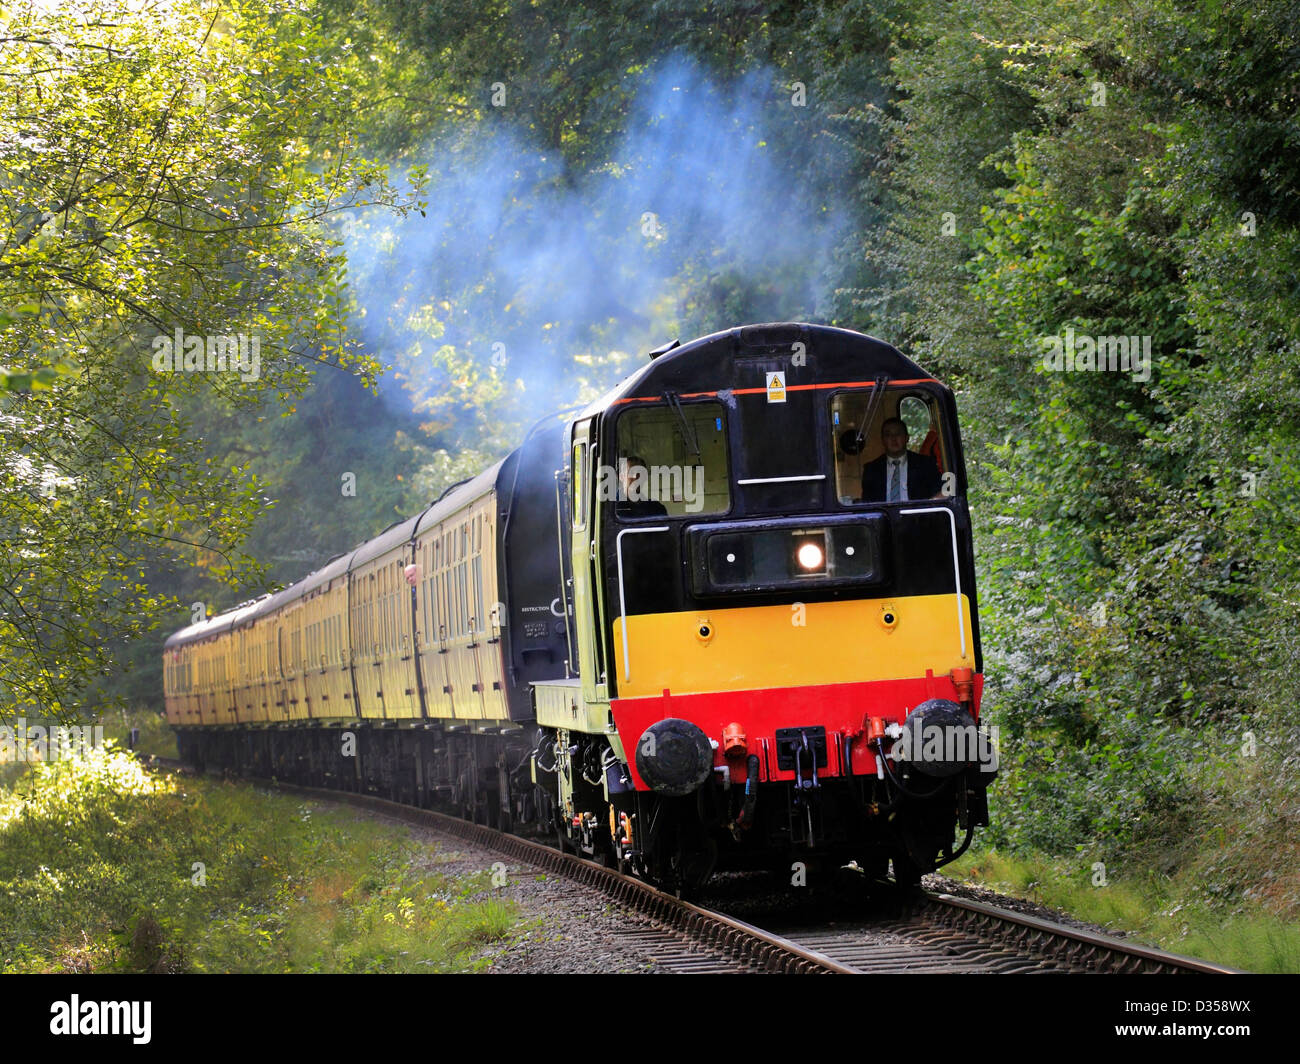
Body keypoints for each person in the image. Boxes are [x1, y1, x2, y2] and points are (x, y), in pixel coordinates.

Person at [860, 418, 942, 501]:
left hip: (918, 513)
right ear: (883, 440)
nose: (893, 438)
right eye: (888, 435)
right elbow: (867, 502)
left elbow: (943, 491)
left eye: (898, 434)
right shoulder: (871, 469)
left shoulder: (925, 464)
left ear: (907, 438)